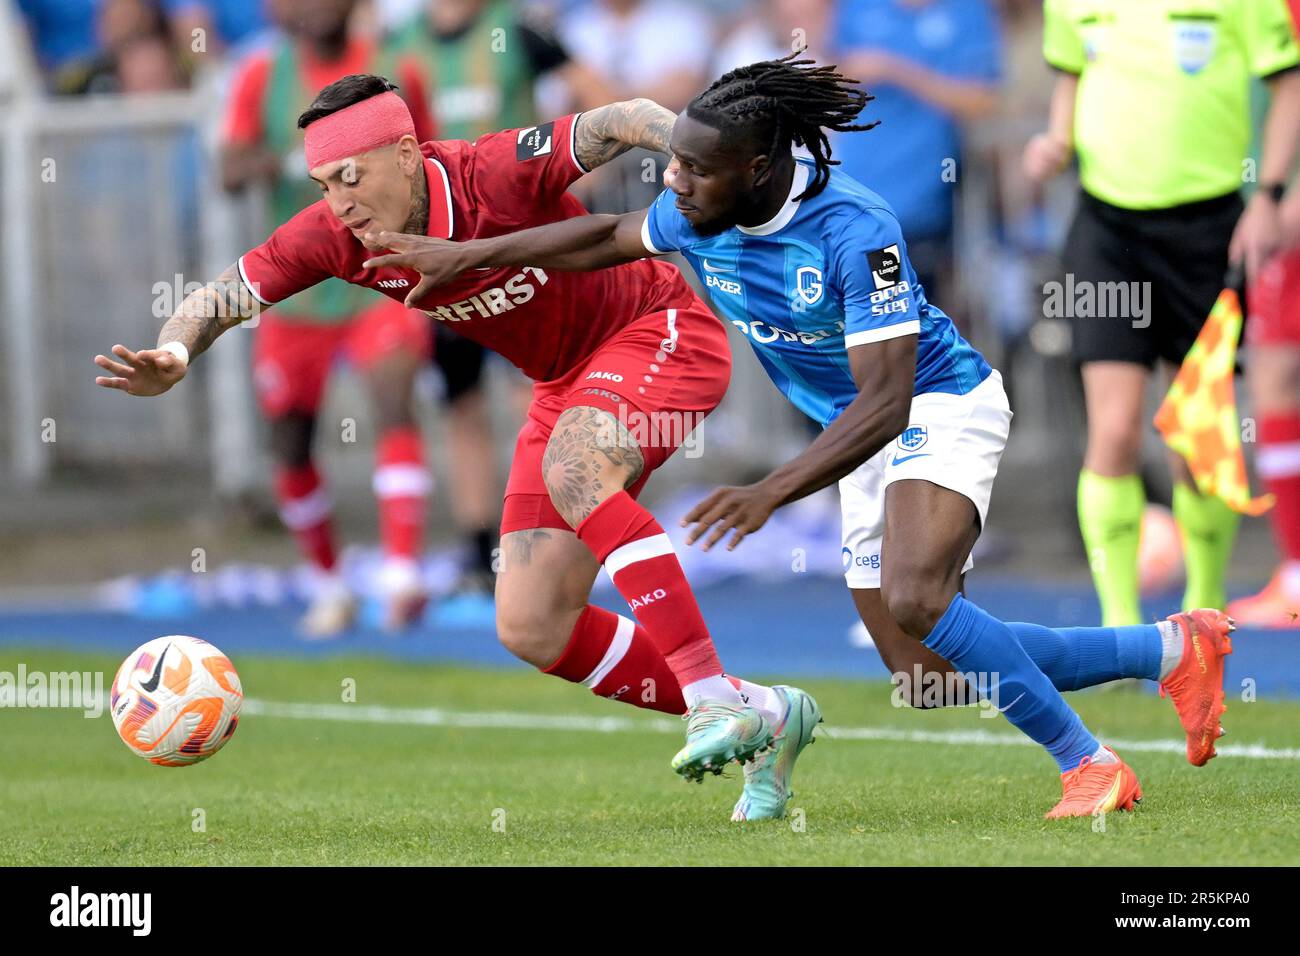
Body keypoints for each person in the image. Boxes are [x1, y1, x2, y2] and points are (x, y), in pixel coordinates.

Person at [375, 57, 1237, 818]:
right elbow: (604, 234)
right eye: (672, 161)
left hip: (937, 404)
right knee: (927, 674)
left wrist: (770, 491)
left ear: (756, 170)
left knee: (916, 595)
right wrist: (472, 259)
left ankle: (1090, 765)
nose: (673, 182)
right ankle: (1170, 649)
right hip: (853, 430)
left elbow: (890, 400)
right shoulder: (702, 208)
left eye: (694, 170)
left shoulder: (855, 233)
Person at [93, 75, 818, 822]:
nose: (338, 200)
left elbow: (619, 118)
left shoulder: (492, 172)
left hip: (658, 327)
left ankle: (705, 699)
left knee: (574, 470)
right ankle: (763, 716)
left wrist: (698, 161)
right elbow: (221, 296)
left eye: (350, 176)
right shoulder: (335, 236)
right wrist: (174, 354)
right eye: (322, 183)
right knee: (531, 624)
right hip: (563, 385)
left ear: (408, 155)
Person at [1023, 0, 1300, 628]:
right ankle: (1120, 630)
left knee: (1197, 444)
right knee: (1114, 431)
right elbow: (1071, 78)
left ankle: (1201, 614)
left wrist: (1270, 194)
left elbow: (1288, 87)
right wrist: (1054, 146)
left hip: (1210, 236)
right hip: (1106, 232)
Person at [219, 0, 437, 636]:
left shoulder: (396, 71)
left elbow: (430, 156)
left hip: (381, 274)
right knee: (288, 438)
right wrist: (276, 164)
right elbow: (227, 168)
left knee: (392, 401)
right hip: (303, 289)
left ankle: (401, 576)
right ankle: (328, 584)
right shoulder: (264, 75)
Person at [385, 0, 616, 595]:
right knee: (460, 404)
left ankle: (568, 537)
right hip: (444, 252)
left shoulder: (517, 29)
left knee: (536, 393)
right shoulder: (401, 43)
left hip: (523, 246)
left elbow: (598, 95)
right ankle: (477, 551)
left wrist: (575, 168)